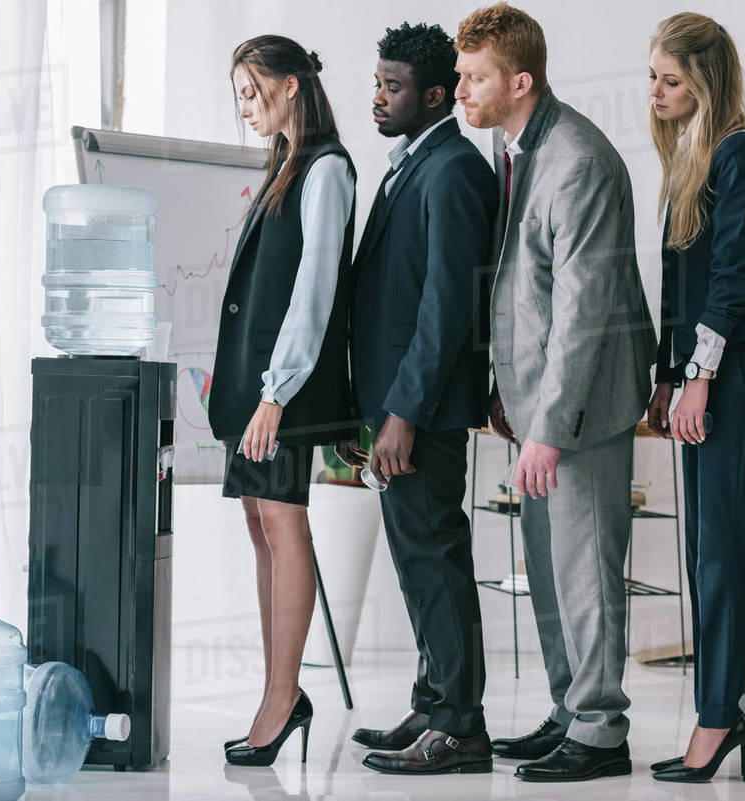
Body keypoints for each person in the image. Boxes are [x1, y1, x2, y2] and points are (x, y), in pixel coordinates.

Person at [454, 2, 656, 782]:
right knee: (547, 567)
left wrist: (552, 425)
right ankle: (571, 708)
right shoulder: (518, 148)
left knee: (585, 570)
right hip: (536, 403)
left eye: (476, 78)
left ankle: (603, 729)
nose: (462, 90)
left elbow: (584, 309)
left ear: (521, 80)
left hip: (583, 404)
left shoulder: (577, 159)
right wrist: (513, 396)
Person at [337, 21, 498, 776]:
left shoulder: (455, 169)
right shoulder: (412, 164)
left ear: (436, 95)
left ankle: (461, 724)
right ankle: (435, 702)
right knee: (417, 563)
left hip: (421, 412)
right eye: (377, 82)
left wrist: (401, 412)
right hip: (391, 406)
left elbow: (444, 307)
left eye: (393, 86)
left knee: (435, 560)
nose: (378, 97)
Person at [643, 12, 745, 784]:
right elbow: (680, 285)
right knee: (708, 551)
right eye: (654, 78)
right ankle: (717, 709)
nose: (659, 92)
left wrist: (699, 376)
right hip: (702, 370)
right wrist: (667, 378)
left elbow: (733, 274)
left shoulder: (740, 155)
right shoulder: (688, 160)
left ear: (704, 81)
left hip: (735, 370)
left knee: (724, 550)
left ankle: (717, 716)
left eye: (673, 79)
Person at [209, 34, 358, 767]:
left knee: (282, 519)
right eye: (238, 93)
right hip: (256, 387)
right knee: (260, 521)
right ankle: (280, 690)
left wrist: (276, 393)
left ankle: (282, 696)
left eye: (251, 89)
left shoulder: (327, 169)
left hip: (285, 389)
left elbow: (316, 288)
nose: (245, 105)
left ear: (292, 84)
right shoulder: (284, 162)